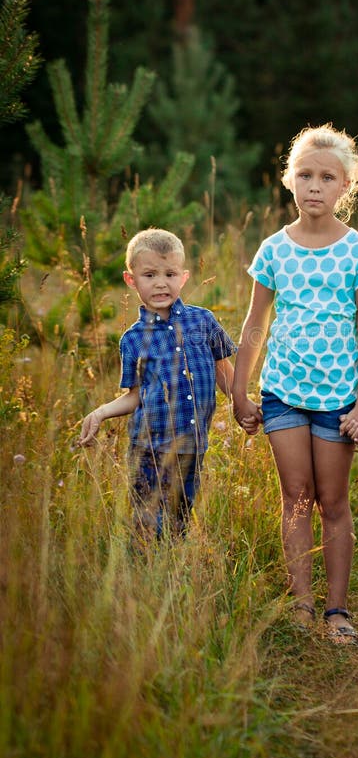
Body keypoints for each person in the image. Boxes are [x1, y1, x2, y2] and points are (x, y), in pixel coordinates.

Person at [232, 124, 358, 644]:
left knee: (332, 501)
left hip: (339, 398)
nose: (314, 185)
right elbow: (255, 324)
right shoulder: (274, 249)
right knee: (294, 496)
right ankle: (301, 603)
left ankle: (337, 610)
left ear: (346, 186)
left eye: (326, 177)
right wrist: (239, 389)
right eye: (304, 174)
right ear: (289, 181)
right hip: (282, 393)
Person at [79, 228, 238, 543]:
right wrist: (100, 412)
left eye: (170, 274)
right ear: (131, 279)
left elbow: (226, 374)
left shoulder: (203, 322)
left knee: (180, 517)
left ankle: (174, 575)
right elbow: (135, 397)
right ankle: (144, 574)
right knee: (147, 521)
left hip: (192, 447)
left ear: (184, 277)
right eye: (149, 274)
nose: (161, 283)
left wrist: (245, 405)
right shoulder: (133, 339)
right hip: (148, 448)